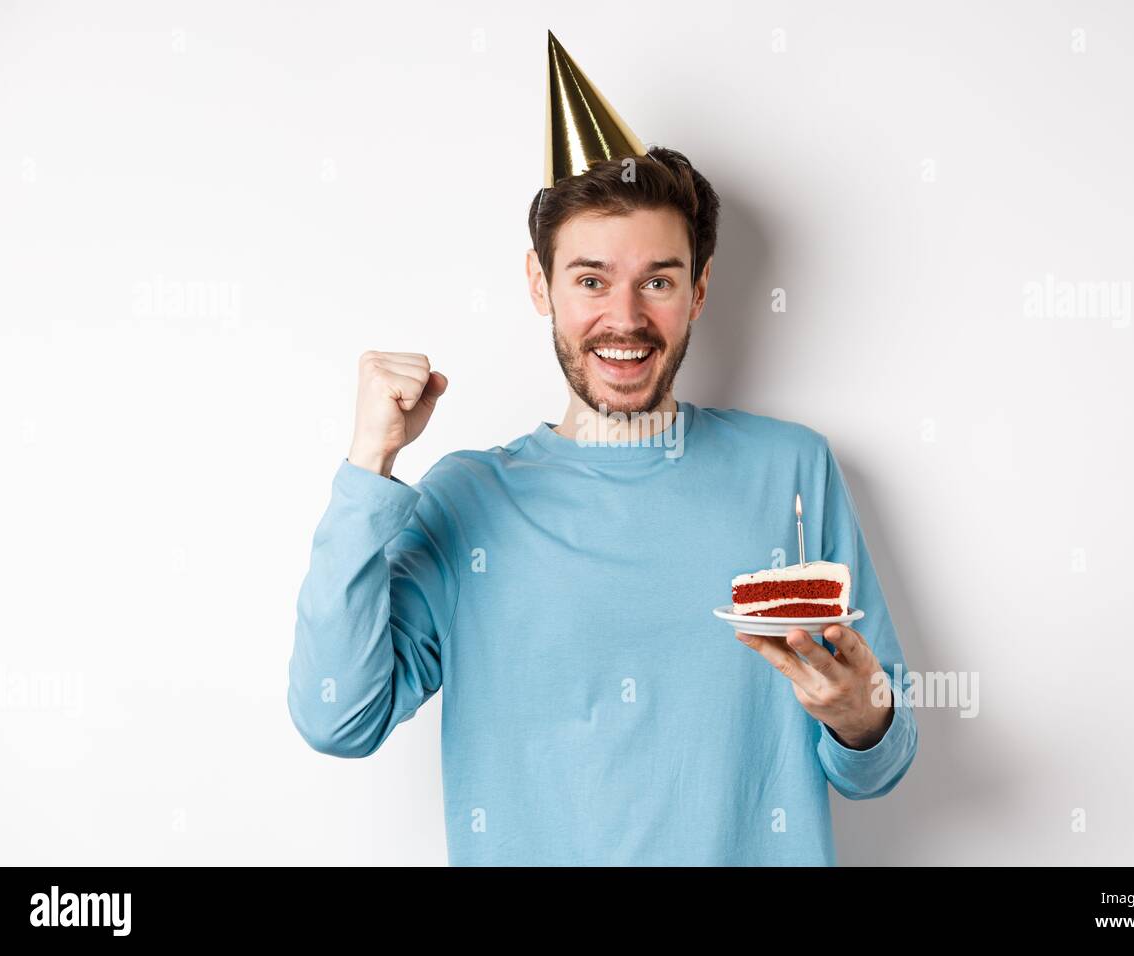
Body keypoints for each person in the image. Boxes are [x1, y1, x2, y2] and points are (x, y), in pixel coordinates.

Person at [287, 35, 917, 866]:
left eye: (657, 280)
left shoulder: (791, 472)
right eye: (590, 279)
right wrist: (370, 464)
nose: (625, 317)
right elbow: (340, 720)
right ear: (540, 285)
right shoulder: (470, 497)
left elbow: (879, 762)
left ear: (697, 291)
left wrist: (859, 715)